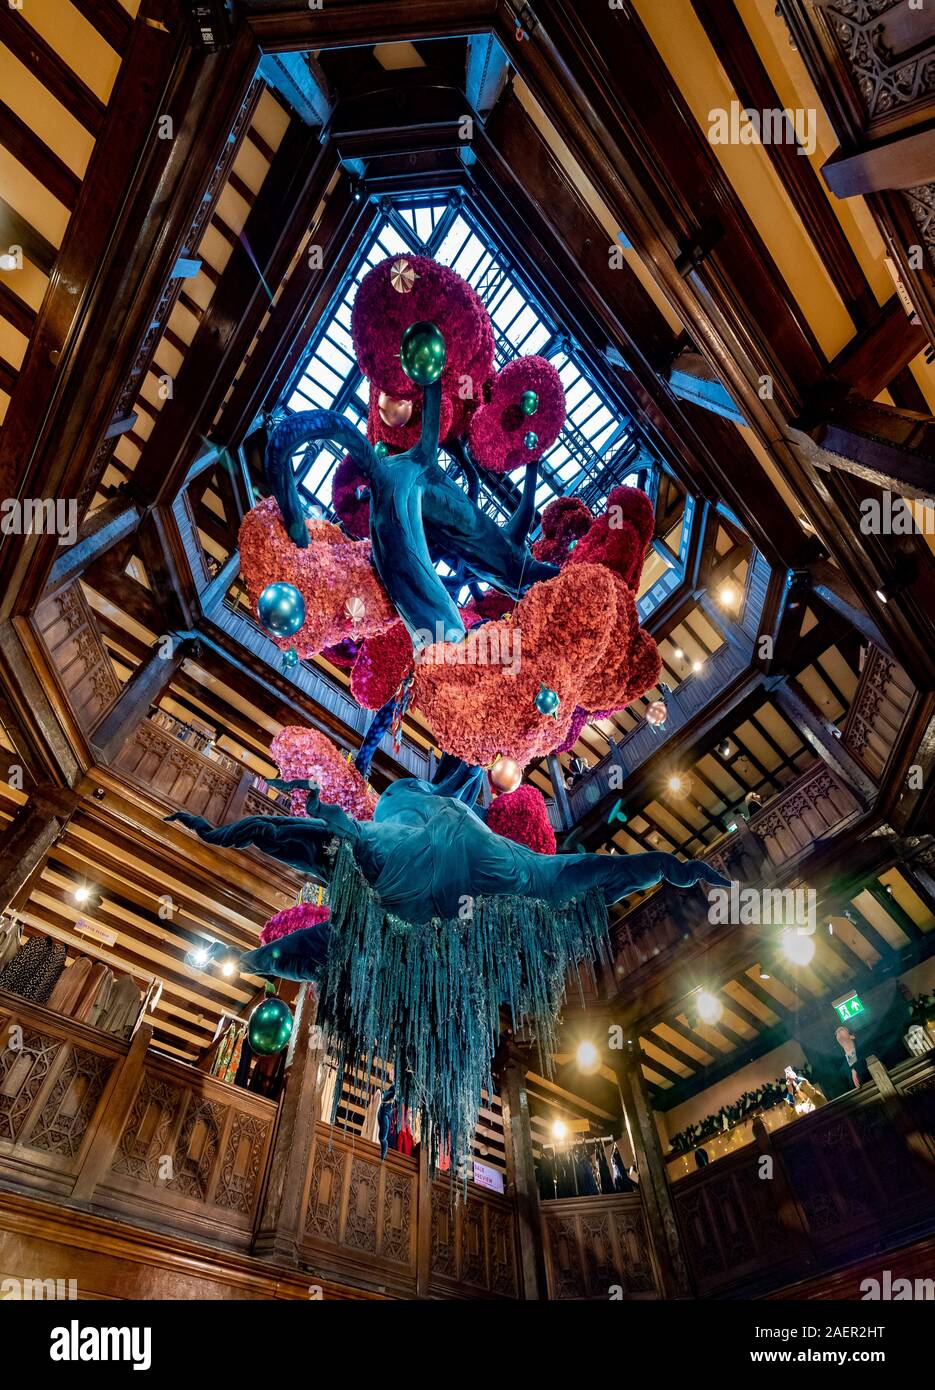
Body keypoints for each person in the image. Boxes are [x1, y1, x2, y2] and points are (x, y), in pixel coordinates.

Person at [835, 1025, 862, 1090]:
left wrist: (854, 1068)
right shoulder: (842, 1070)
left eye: (842, 1029)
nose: (838, 1032)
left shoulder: (864, 1052)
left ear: (852, 1036)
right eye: (836, 1033)